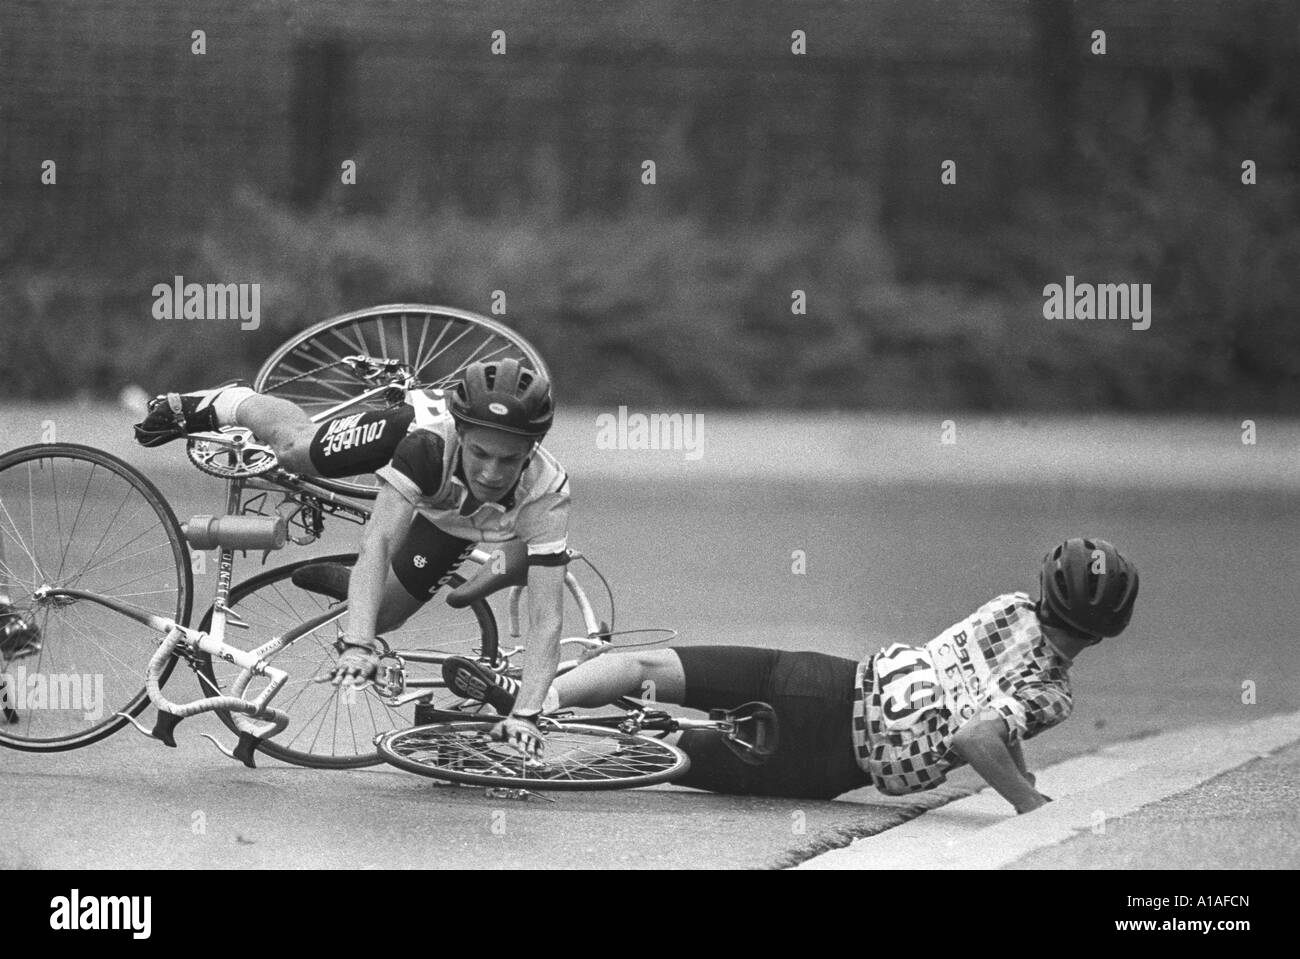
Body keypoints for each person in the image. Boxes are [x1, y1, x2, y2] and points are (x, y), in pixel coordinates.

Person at [441, 538, 1140, 812]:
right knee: (653, 763)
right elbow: (981, 733)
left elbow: (982, 701)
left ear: (1045, 592)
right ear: (1108, 630)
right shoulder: (1051, 693)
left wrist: (1019, 767)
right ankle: (492, 758)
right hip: (826, 761)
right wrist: (1031, 804)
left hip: (826, 681)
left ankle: (530, 703)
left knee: (649, 670)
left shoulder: (1010, 609)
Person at [133, 359, 571, 756]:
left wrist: (526, 715)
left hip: (455, 519)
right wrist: (358, 645)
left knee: (385, 615)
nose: (491, 473)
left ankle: (354, 588)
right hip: (412, 452)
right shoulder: (428, 446)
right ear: (462, 434)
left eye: (509, 460)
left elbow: (547, 619)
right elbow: (377, 543)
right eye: (480, 453)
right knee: (293, 452)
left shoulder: (547, 494)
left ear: (531, 452)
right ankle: (229, 400)